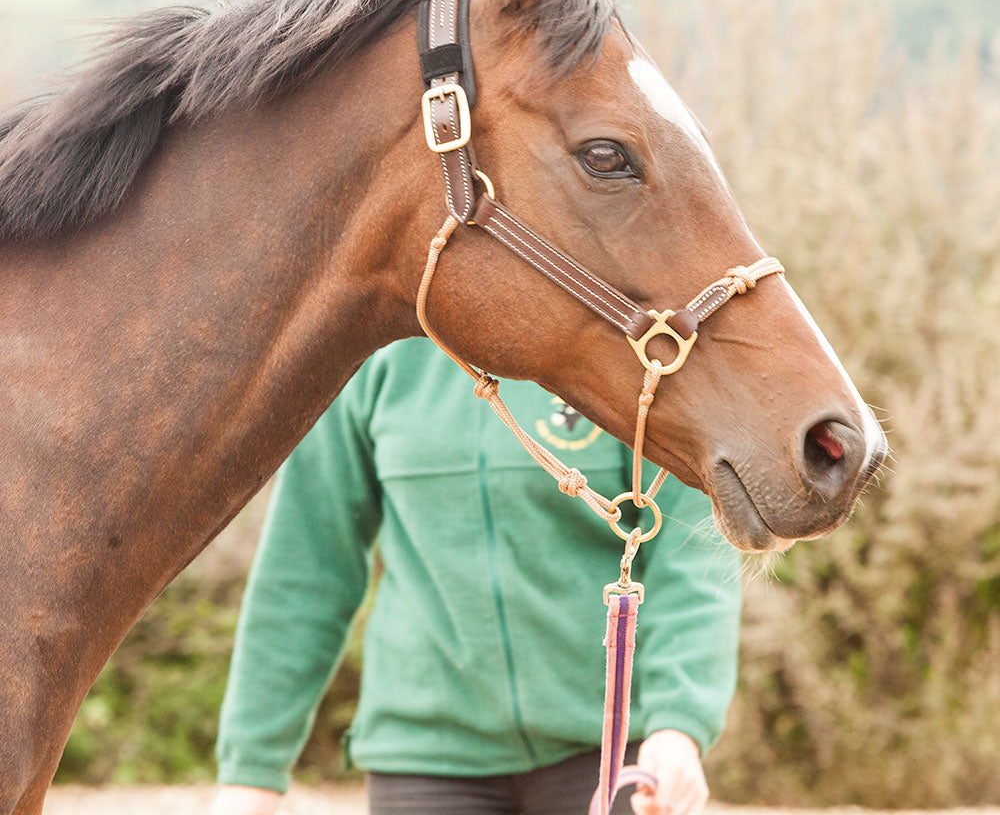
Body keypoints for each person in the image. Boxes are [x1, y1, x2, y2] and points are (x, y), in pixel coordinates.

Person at [210, 338, 741, 815]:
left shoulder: (627, 351)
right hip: (423, 761)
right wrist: (250, 772)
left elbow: (692, 556)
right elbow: (305, 571)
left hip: (607, 754)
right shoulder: (368, 359)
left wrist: (678, 725)